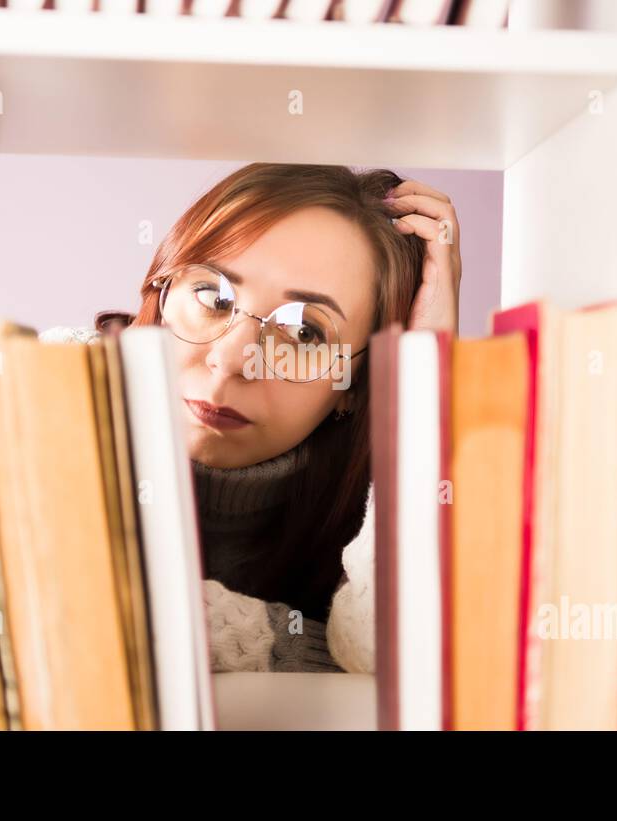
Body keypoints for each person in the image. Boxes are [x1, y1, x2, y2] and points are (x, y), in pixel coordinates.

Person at [41, 162, 462, 674]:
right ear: (161, 291)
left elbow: (391, 657)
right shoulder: (50, 389)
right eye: (213, 297)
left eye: (305, 333)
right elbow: (51, 603)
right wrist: (284, 647)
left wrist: (423, 373)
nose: (234, 359)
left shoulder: (387, 498)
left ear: (356, 384)